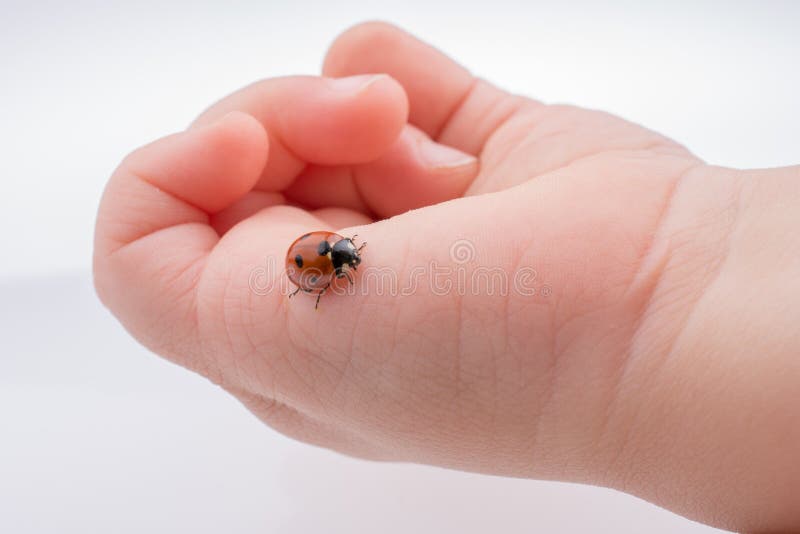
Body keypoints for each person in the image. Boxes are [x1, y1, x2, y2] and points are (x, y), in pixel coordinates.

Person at [93, 22, 799, 533]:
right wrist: (689, 256)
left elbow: (331, 263)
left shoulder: (329, 256)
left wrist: (653, 314)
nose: (348, 262)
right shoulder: (326, 256)